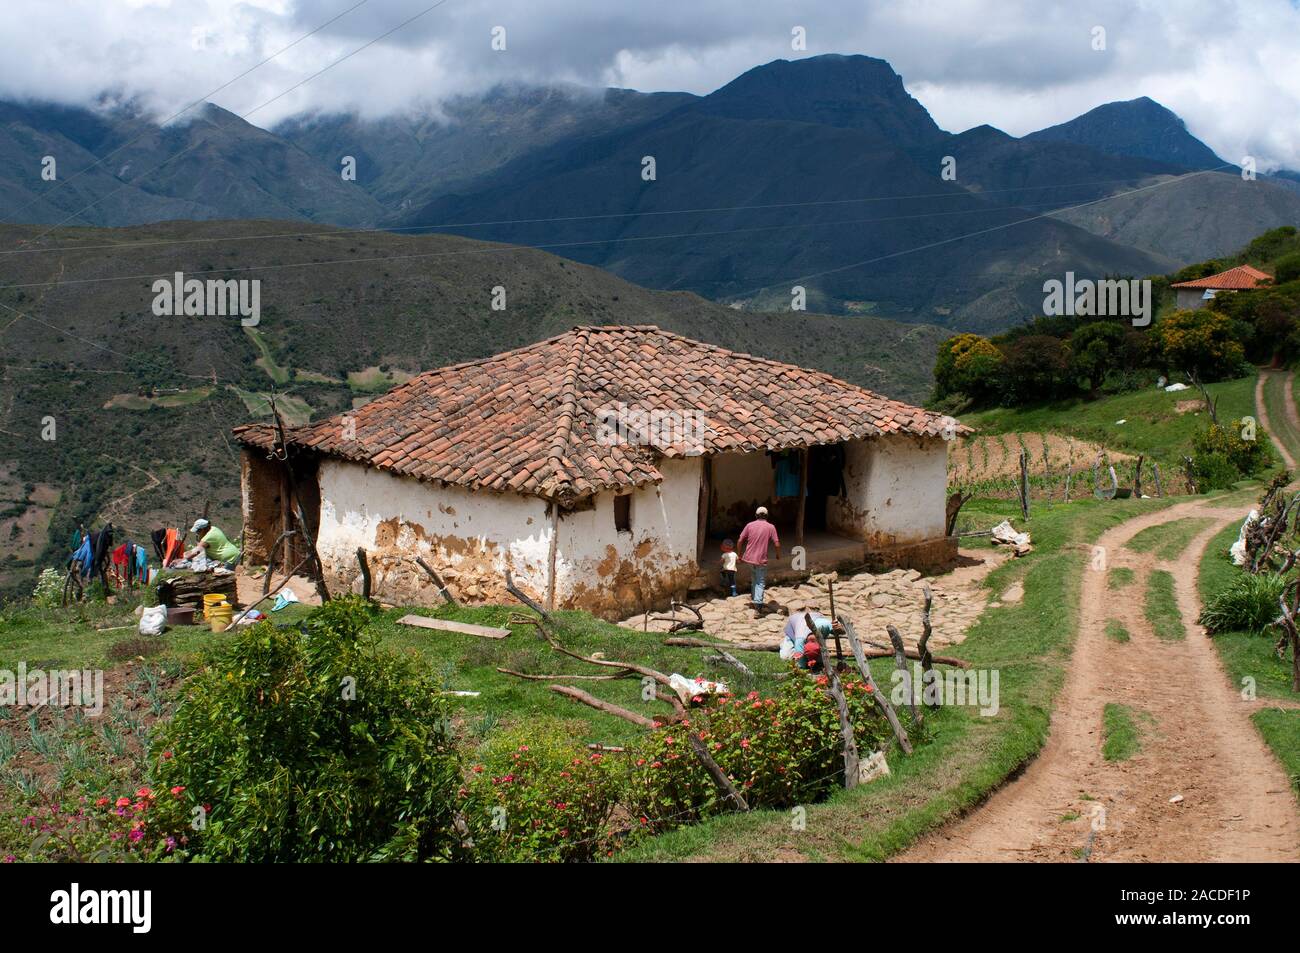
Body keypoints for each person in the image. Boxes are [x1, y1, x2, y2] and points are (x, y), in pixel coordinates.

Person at [736, 506, 780, 606]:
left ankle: (754, 597)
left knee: (754, 577)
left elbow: (739, 541)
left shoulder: (749, 525)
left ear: (756, 515)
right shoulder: (771, 527)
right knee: (760, 581)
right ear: (767, 516)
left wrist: (739, 555)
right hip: (761, 559)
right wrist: (777, 555)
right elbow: (777, 544)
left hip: (749, 558)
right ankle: (758, 604)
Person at [780, 603, 830, 671]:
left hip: (814, 619)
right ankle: (787, 645)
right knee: (785, 657)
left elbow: (840, 630)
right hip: (793, 630)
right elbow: (801, 666)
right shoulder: (800, 639)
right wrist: (804, 667)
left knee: (819, 663)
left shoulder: (825, 625)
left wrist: (838, 627)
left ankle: (814, 658)